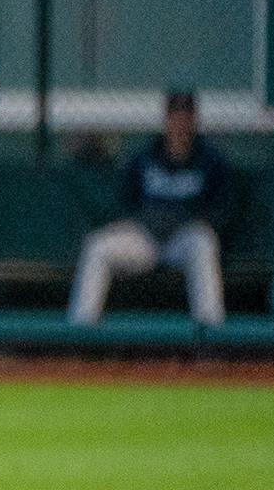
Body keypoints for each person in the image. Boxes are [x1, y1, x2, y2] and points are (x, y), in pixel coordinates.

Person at [68, 88, 234, 326]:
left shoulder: (211, 161)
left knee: (203, 243)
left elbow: (223, 210)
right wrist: (140, 221)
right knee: (97, 246)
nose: (179, 121)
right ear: (166, 118)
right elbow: (124, 201)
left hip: (183, 240)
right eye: (174, 115)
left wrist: (190, 221)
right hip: (145, 240)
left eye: (185, 115)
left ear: (194, 119)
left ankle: (209, 335)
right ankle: (80, 332)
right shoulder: (144, 158)